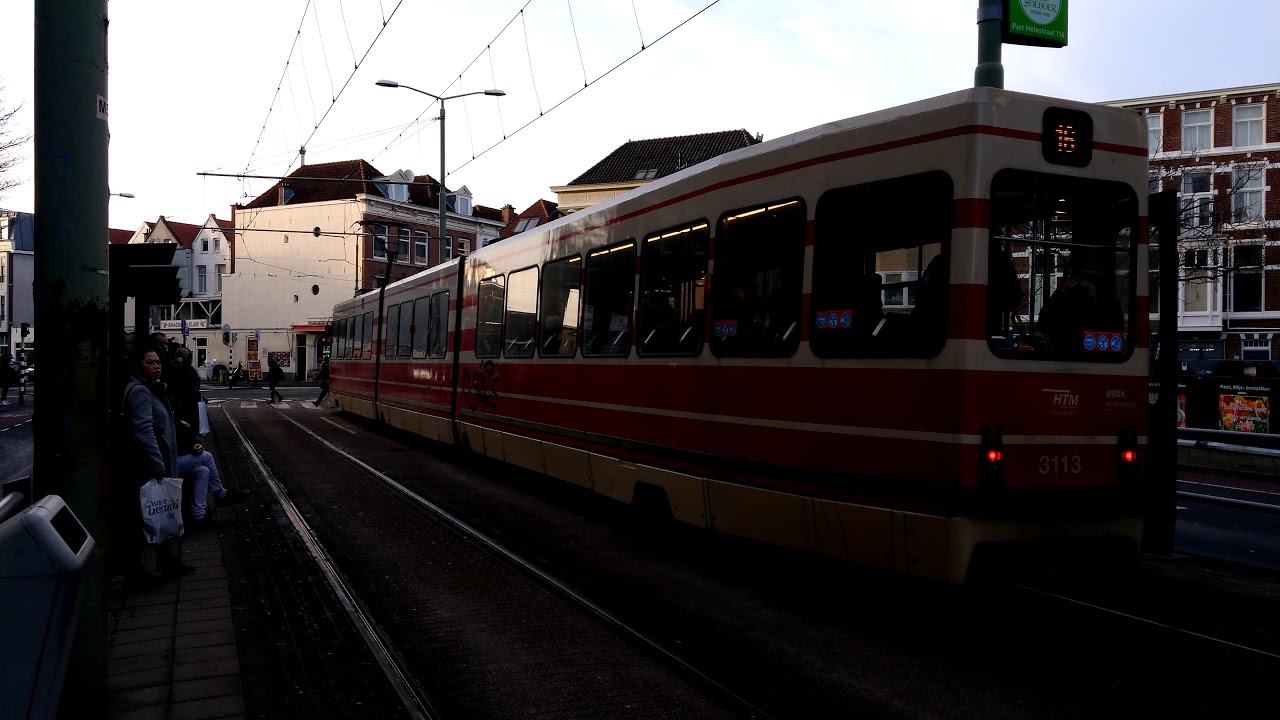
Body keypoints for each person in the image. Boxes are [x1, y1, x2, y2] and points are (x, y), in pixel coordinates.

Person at [122, 347, 194, 578]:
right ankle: (136, 572)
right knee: (144, 514)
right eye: (150, 362)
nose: (157, 366)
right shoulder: (140, 391)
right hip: (147, 465)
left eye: (158, 362)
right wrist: (157, 463)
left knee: (158, 511)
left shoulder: (150, 388)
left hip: (152, 463)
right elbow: (143, 429)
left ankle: (166, 561)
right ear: (137, 366)